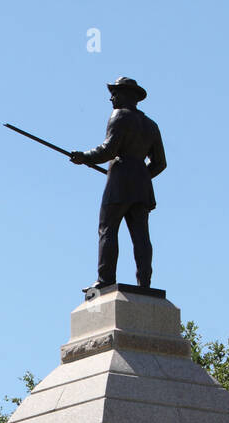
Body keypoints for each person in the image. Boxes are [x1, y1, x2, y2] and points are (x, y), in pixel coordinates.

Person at [70, 77, 166, 292]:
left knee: (107, 229)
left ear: (126, 95)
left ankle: (105, 280)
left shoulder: (119, 116)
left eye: (115, 93)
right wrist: (140, 177)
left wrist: (84, 156)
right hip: (141, 185)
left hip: (120, 181)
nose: (111, 98)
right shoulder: (151, 125)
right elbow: (160, 163)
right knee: (141, 237)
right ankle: (145, 284)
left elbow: (108, 150)